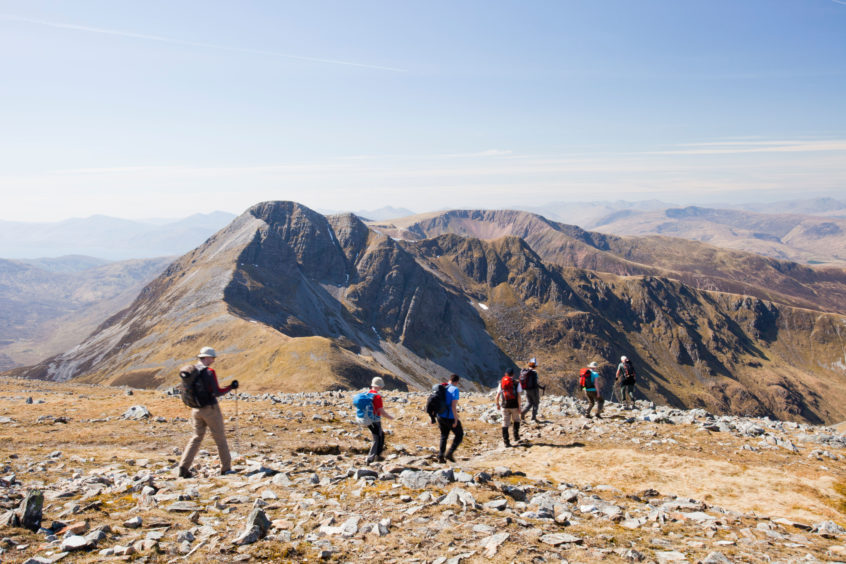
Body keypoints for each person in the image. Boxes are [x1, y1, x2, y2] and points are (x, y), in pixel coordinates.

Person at [178, 347, 239, 478]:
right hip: (210, 409)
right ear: (206, 357)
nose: (213, 360)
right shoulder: (209, 372)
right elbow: (217, 392)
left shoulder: (192, 371)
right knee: (220, 438)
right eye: (212, 357)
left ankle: (183, 467)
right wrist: (231, 387)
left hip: (196, 409)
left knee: (196, 438)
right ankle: (226, 468)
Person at [361, 377, 395, 464]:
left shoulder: (367, 394)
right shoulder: (377, 397)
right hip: (375, 420)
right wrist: (390, 417)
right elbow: (381, 410)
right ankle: (370, 459)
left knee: (381, 436)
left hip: (367, 419)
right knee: (377, 438)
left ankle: (377, 455)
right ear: (379, 386)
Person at [436, 374, 463, 463]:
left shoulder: (442, 387)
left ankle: (441, 456)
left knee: (444, 436)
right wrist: (456, 419)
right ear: (456, 382)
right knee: (459, 435)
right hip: (449, 417)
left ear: (449, 379)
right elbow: (453, 406)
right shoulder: (455, 389)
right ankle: (449, 453)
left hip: (440, 416)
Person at [496, 368, 522, 447]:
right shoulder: (517, 383)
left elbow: (497, 395)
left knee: (505, 423)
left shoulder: (501, 383)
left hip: (504, 406)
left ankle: (506, 441)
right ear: (513, 374)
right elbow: (519, 396)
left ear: (505, 374)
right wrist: (519, 406)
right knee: (516, 420)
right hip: (514, 406)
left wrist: (497, 404)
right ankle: (516, 436)